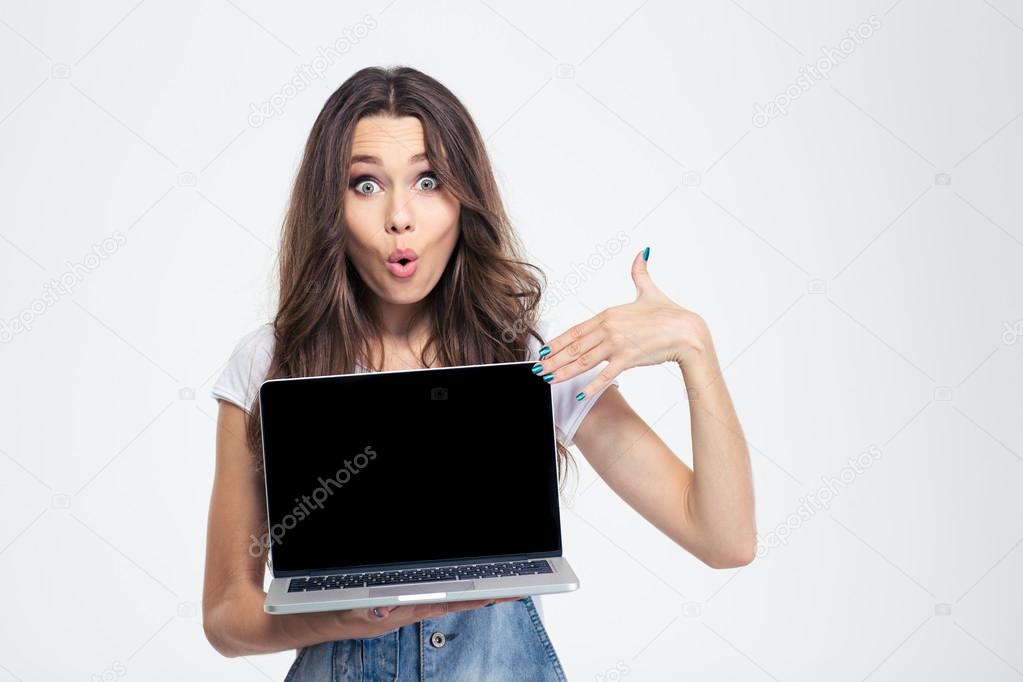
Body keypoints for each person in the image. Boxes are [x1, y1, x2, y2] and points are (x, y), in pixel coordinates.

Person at [202, 65, 756, 681]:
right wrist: (350, 618)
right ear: (328, 206)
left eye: (429, 179)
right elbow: (227, 616)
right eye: (364, 184)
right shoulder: (271, 363)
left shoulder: (534, 360)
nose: (399, 217)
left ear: (464, 200)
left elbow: (724, 539)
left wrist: (694, 348)